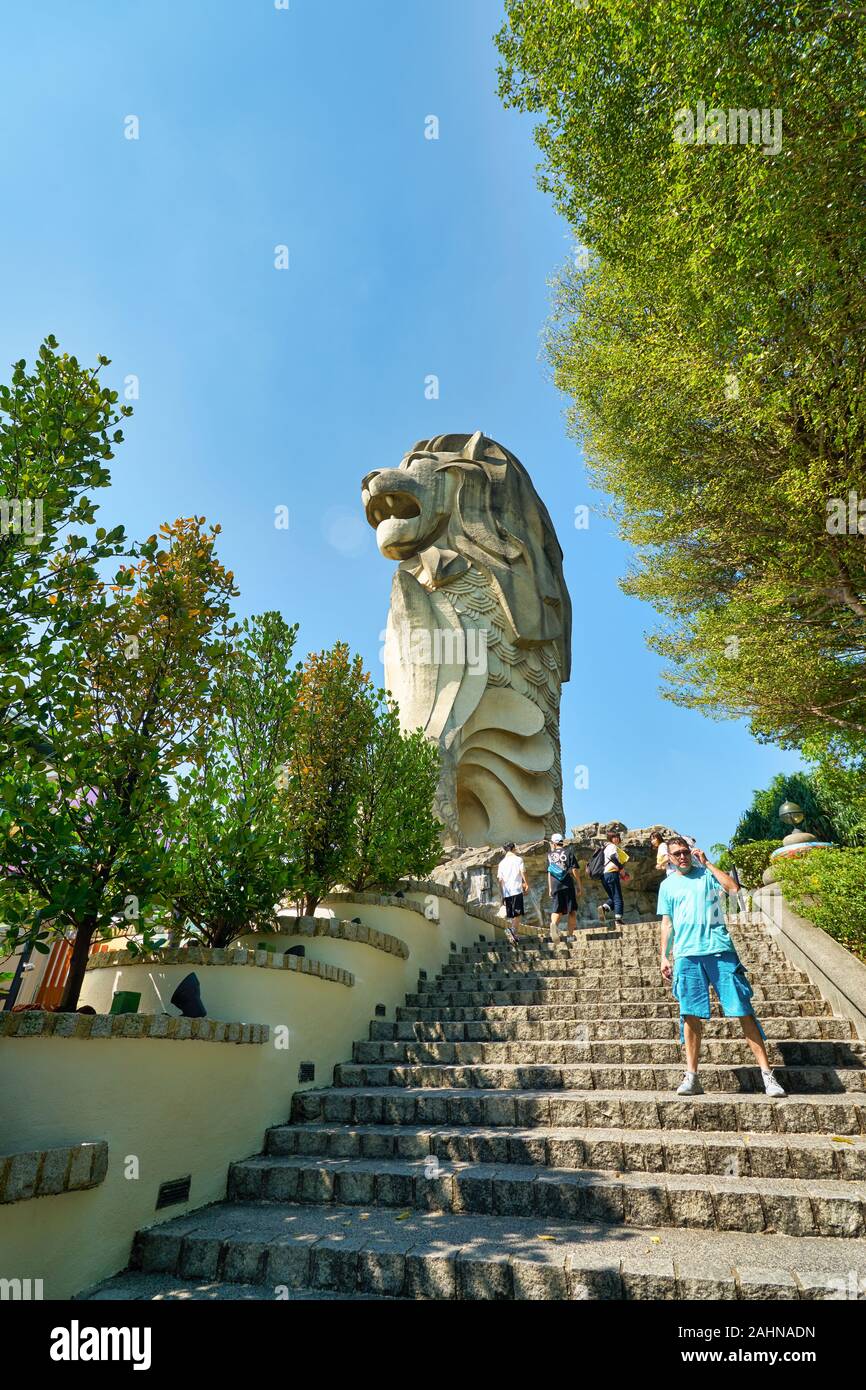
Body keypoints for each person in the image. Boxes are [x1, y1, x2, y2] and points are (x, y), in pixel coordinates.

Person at [658, 836, 786, 1097]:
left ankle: (767, 1075)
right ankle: (692, 1076)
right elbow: (667, 923)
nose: (682, 857)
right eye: (677, 854)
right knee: (690, 1015)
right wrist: (663, 955)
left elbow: (734, 889)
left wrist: (708, 863)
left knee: (742, 1008)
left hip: (719, 949)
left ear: (691, 853)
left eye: (685, 852)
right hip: (686, 954)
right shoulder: (667, 886)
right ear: (669, 858)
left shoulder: (706, 874)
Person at [547, 832, 582, 940]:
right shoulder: (568, 852)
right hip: (567, 884)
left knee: (557, 910)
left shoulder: (549, 855)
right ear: (562, 842)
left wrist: (550, 888)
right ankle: (570, 936)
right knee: (572, 911)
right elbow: (574, 869)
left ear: (553, 843)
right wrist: (579, 885)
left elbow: (549, 872)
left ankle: (553, 924)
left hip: (555, 885)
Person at [497, 843, 528, 947]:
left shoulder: (501, 863)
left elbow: (500, 880)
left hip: (507, 892)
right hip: (516, 889)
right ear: (513, 848)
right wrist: (526, 883)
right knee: (517, 913)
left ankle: (514, 934)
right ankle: (513, 930)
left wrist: (502, 894)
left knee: (512, 914)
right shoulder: (518, 859)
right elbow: (522, 871)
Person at [599, 829, 627, 925]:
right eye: (614, 837)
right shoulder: (611, 846)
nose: (617, 839)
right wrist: (621, 868)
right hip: (611, 873)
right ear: (610, 839)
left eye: (617, 837)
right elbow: (613, 858)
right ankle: (618, 919)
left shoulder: (604, 848)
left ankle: (603, 908)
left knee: (613, 897)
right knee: (618, 897)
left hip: (604, 875)